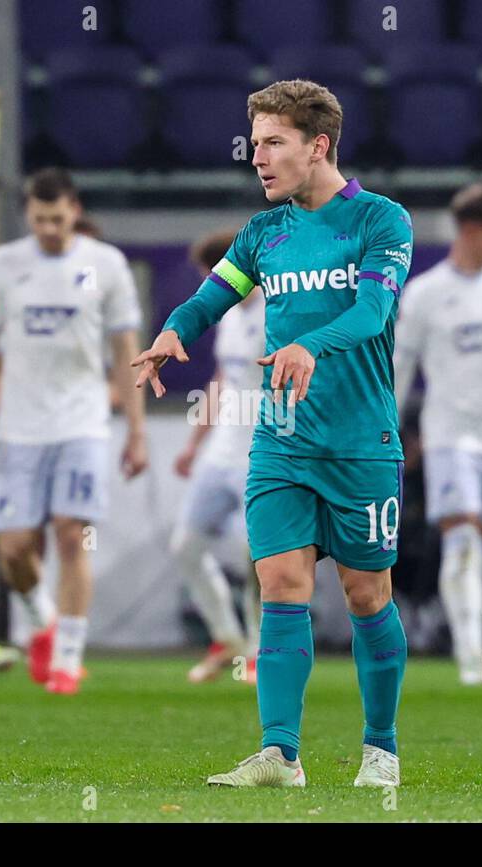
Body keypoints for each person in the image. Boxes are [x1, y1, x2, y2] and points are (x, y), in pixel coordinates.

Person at [133, 80, 414, 788]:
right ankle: (280, 754)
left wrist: (311, 344)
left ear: (317, 145)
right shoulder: (264, 233)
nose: (256, 157)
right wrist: (172, 334)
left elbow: (374, 312)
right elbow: (214, 294)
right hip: (281, 442)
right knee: (281, 583)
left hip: (360, 443)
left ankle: (380, 749)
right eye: (254, 143)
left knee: (365, 595)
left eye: (271, 143)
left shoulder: (381, 222)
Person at [0, 168, 148, 695]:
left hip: (82, 421)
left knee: (72, 534)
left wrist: (135, 431)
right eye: (40, 218)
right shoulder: (4, 265)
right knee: (14, 550)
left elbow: (124, 352)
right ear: (28, 214)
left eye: (58, 217)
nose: (49, 227)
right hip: (20, 428)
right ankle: (44, 620)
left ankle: (68, 658)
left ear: (74, 210)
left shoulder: (105, 264)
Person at [394, 185, 482, 685]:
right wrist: (386, 429)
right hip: (451, 436)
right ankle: (471, 656)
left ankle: (481, 628)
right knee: (462, 538)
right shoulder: (425, 293)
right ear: (472, 230)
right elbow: (400, 366)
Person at [170, 228, 264, 684]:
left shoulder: (278, 311)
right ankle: (227, 639)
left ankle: (260, 653)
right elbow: (222, 381)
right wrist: (194, 444)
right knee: (186, 546)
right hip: (223, 449)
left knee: (259, 555)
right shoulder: (227, 318)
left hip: (264, 450)